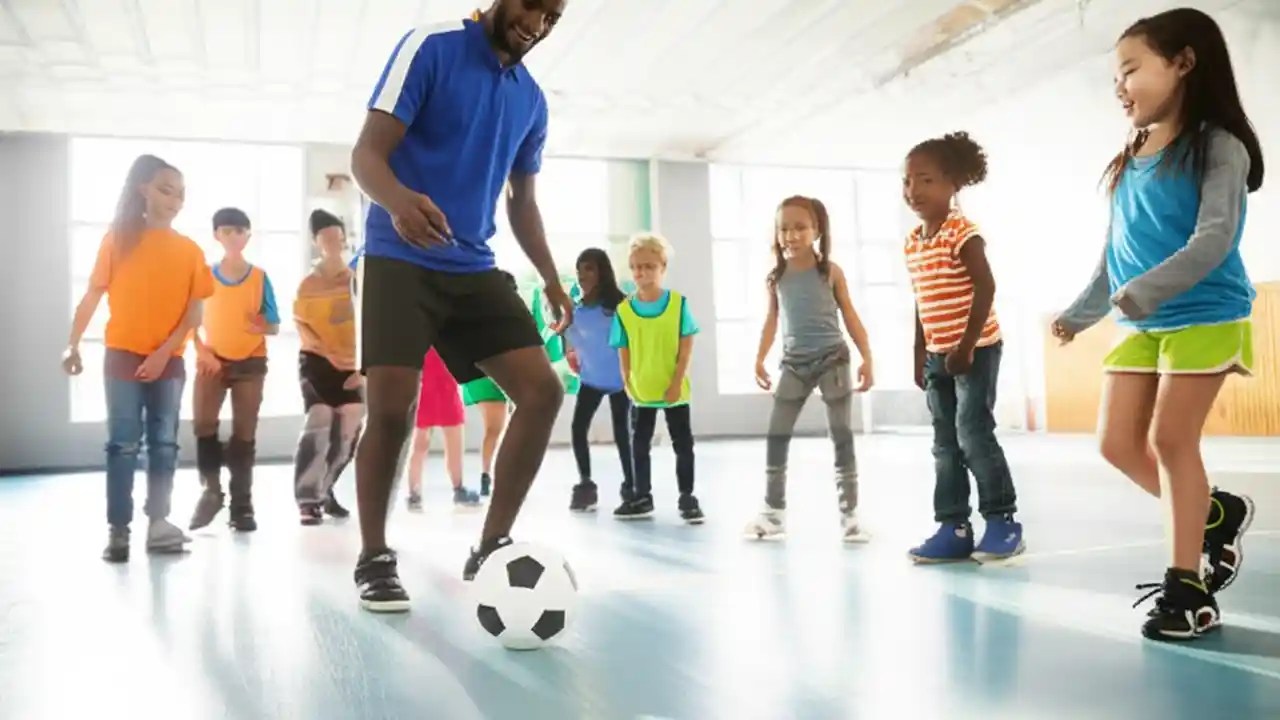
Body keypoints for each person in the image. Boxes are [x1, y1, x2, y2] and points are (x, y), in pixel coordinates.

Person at [349, 0, 571, 611]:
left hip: (472, 265)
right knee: (392, 408)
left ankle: (493, 544)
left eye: (554, 16)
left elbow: (522, 201)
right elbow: (366, 155)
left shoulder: (531, 99)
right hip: (398, 255)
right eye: (533, 7)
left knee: (542, 392)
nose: (539, 24)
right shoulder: (433, 45)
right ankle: (374, 557)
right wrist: (398, 201)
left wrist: (551, 279)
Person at [1051, 8, 1262, 642]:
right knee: (1117, 444)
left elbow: (1215, 238)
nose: (1119, 87)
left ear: (1184, 62)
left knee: (1173, 440)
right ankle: (1217, 512)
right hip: (1141, 321)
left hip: (1204, 311)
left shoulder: (1217, 146)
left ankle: (1187, 589)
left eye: (1130, 70)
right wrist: (1081, 313)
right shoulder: (1133, 153)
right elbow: (1115, 250)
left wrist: (1143, 292)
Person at [63, 154, 213, 562]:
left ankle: (159, 524)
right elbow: (93, 294)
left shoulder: (190, 251)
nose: (175, 201)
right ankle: (118, 531)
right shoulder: (117, 240)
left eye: (181, 194)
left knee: (164, 444)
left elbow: (194, 312)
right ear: (142, 189)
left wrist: (165, 352)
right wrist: (72, 343)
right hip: (122, 356)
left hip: (170, 361)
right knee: (121, 445)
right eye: (167, 190)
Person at [902, 131, 1024, 564]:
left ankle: (1002, 519)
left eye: (925, 180)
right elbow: (922, 299)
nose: (913, 190)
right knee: (944, 442)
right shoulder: (914, 241)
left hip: (977, 349)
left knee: (972, 433)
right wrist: (921, 350)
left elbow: (986, 287)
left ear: (953, 184)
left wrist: (967, 346)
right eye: (908, 181)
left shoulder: (963, 233)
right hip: (939, 353)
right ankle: (952, 525)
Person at [745, 196, 873, 542]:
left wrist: (867, 357)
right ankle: (773, 513)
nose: (791, 235)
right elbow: (772, 320)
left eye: (800, 227)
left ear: (817, 231)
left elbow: (850, 315)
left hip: (833, 360)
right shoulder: (776, 277)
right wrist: (759, 358)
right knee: (777, 435)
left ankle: (850, 516)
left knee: (841, 435)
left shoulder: (830, 272)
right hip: (794, 365)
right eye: (784, 228)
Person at [189, 208, 280, 532]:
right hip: (211, 360)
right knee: (203, 424)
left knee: (244, 434)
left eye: (240, 231)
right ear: (216, 235)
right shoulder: (204, 275)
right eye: (227, 231)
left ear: (248, 236)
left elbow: (274, 324)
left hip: (250, 364)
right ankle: (212, 491)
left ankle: (242, 505)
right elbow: (189, 321)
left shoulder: (259, 277)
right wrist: (202, 351)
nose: (234, 237)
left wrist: (263, 325)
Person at [611, 233, 703, 524]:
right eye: (637, 267)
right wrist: (627, 380)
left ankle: (687, 497)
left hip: (674, 389)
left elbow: (686, 346)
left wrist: (677, 381)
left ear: (662, 267)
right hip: (641, 391)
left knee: (682, 443)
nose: (642, 272)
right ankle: (641, 496)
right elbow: (622, 347)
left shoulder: (678, 304)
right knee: (639, 444)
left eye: (649, 266)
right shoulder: (623, 310)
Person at [294, 209, 362, 526]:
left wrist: (358, 367)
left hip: (353, 365)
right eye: (325, 237)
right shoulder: (307, 284)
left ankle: (325, 489)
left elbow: (369, 323)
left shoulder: (356, 280)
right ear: (315, 242)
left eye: (337, 235)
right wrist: (329, 354)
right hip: (317, 361)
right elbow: (303, 327)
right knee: (319, 418)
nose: (333, 242)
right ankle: (307, 499)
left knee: (348, 430)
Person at [563, 248, 631, 513]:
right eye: (580, 269)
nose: (582, 275)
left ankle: (632, 486)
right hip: (590, 379)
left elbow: (633, 341)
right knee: (578, 429)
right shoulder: (577, 309)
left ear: (602, 271)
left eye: (589, 269)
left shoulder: (621, 307)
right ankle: (585, 485)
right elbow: (573, 337)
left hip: (620, 381)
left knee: (623, 434)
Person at [458, 270, 522, 499]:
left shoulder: (483, 315)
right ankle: (490, 475)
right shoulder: (499, 317)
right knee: (496, 428)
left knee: (496, 429)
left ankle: (490, 474)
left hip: (488, 377)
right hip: (487, 376)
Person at [406, 349, 482, 510]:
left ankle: (458, 488)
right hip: (425, 386)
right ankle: (414, 493)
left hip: (445, 386)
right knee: (421, 443)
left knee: (453, 440)